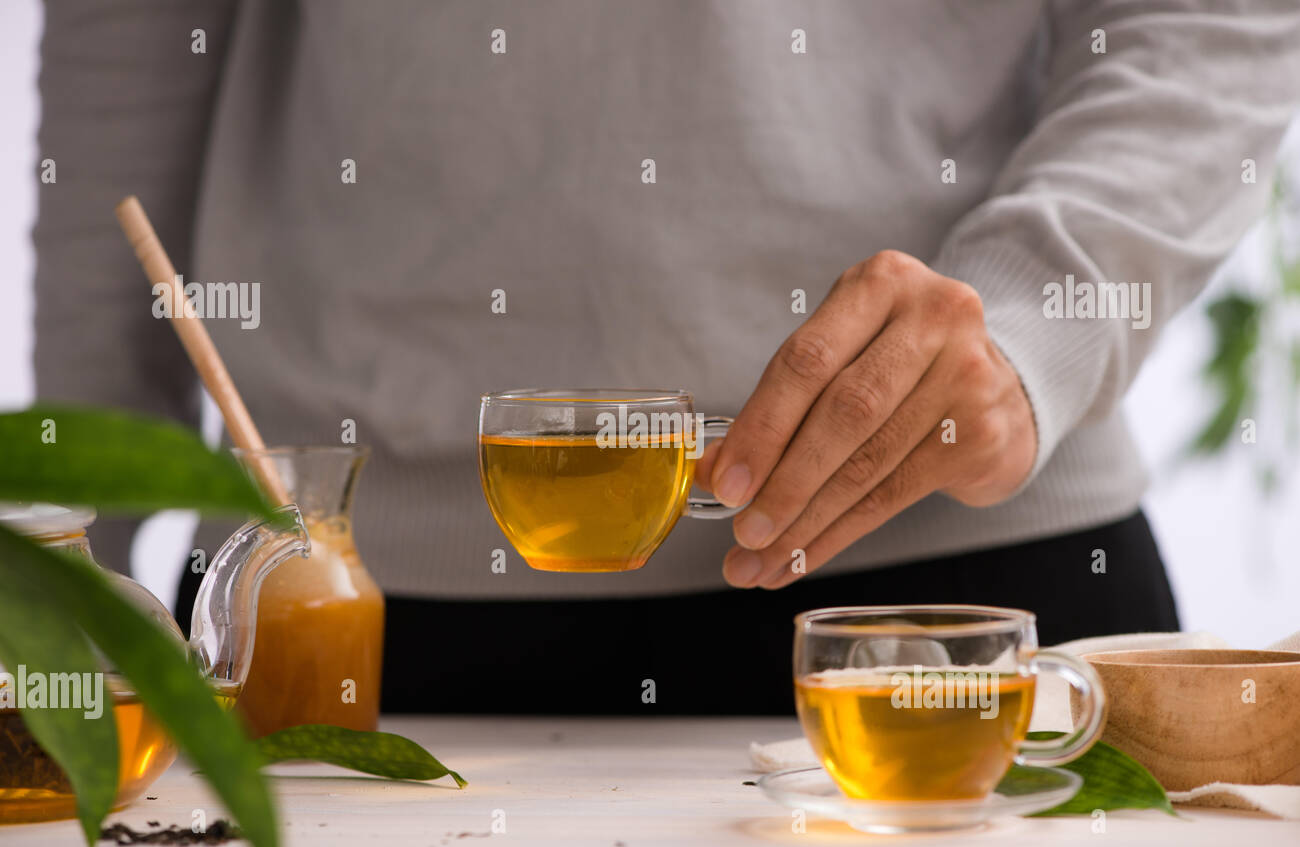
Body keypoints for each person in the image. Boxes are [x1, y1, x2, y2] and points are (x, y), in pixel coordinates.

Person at [33, 1, 1300, 714]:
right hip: (330, 618)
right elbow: (127, 37)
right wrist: (68, 550)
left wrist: (1034, 324)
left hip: (952, 591)